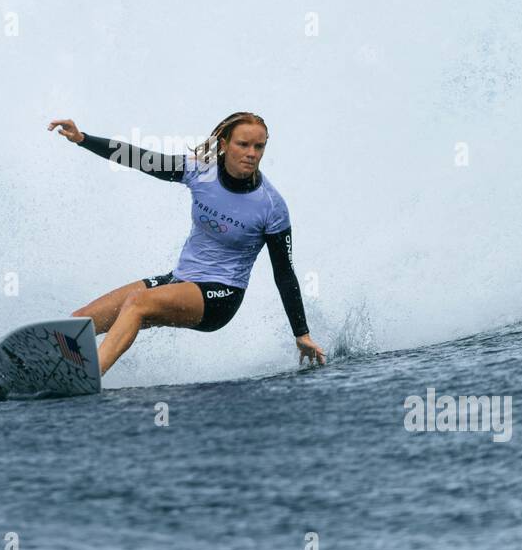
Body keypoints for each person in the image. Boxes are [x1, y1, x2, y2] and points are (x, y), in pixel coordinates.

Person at [47, 111, 327, 375]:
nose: (252, 154)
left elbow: (284, 272)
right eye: (243, 144)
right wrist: (83, 139)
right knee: (79, 321)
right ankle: (43, 371)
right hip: (180, 281)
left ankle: (87, 375)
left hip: (221, 296)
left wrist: (300, 333)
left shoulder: (271, 206)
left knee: (137, 303)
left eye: (259, 146)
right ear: (224, 143)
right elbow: (139, 158)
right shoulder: (199, 171)